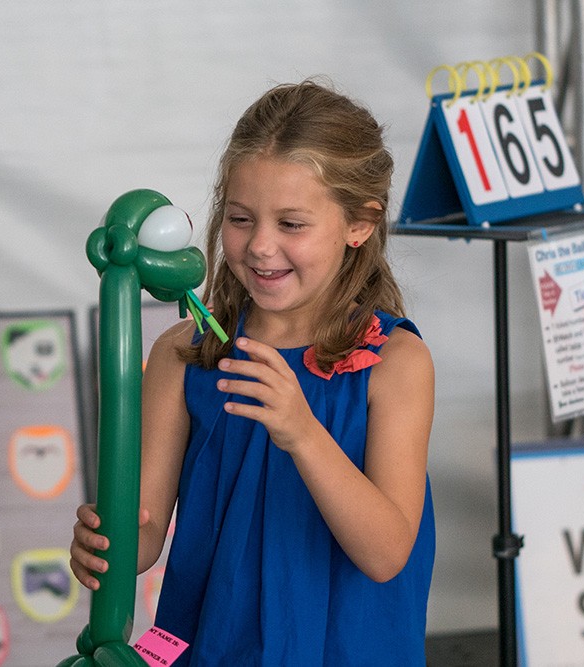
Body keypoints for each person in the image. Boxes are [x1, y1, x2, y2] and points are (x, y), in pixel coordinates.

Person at [70, 79, 436, 665]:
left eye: (292, 224)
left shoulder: (395, 364)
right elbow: (143, 534)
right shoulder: (183, 354)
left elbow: (387, 553)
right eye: (241, 219)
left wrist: (302, 431)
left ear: (359, 225)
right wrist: (104, 545)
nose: (260, 246)